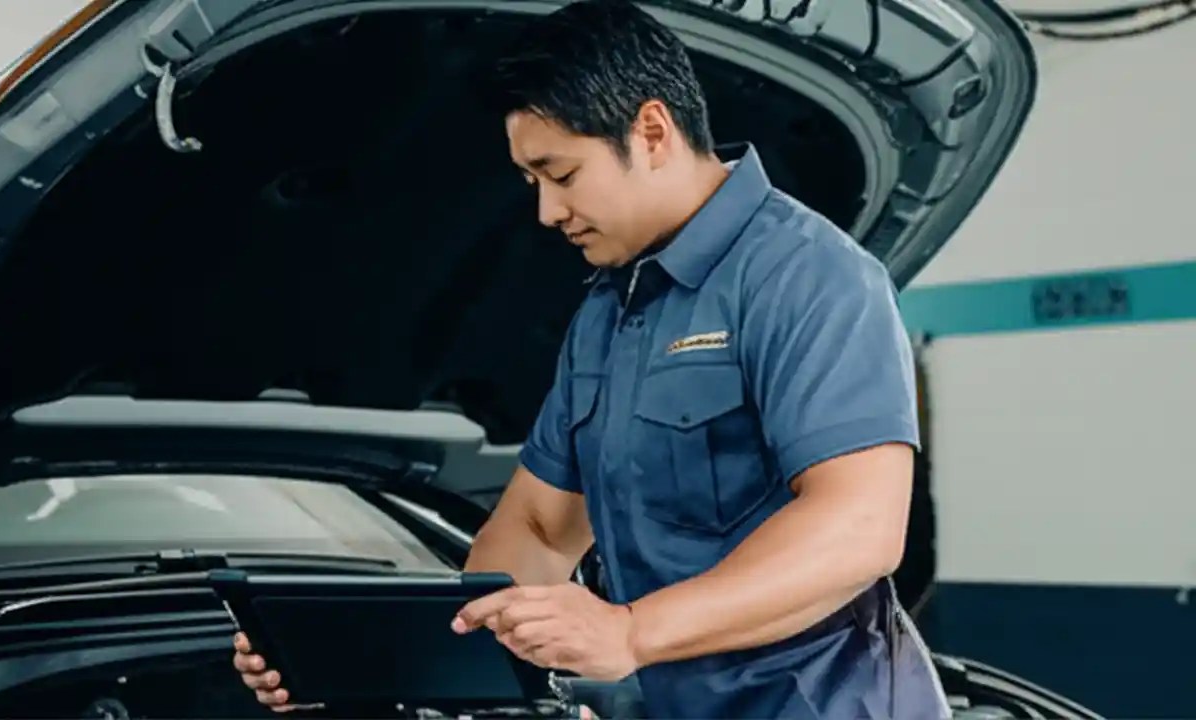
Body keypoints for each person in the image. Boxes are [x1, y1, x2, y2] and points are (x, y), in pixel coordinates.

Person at [234, 0, 950, 717]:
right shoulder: (608, 315)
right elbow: (539, 529)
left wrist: (632, 632)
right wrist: (374, 669)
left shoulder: (810, 275)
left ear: (651, 131)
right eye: (531, 183)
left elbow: (858, 529)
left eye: (562, 174)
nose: (547, 212)